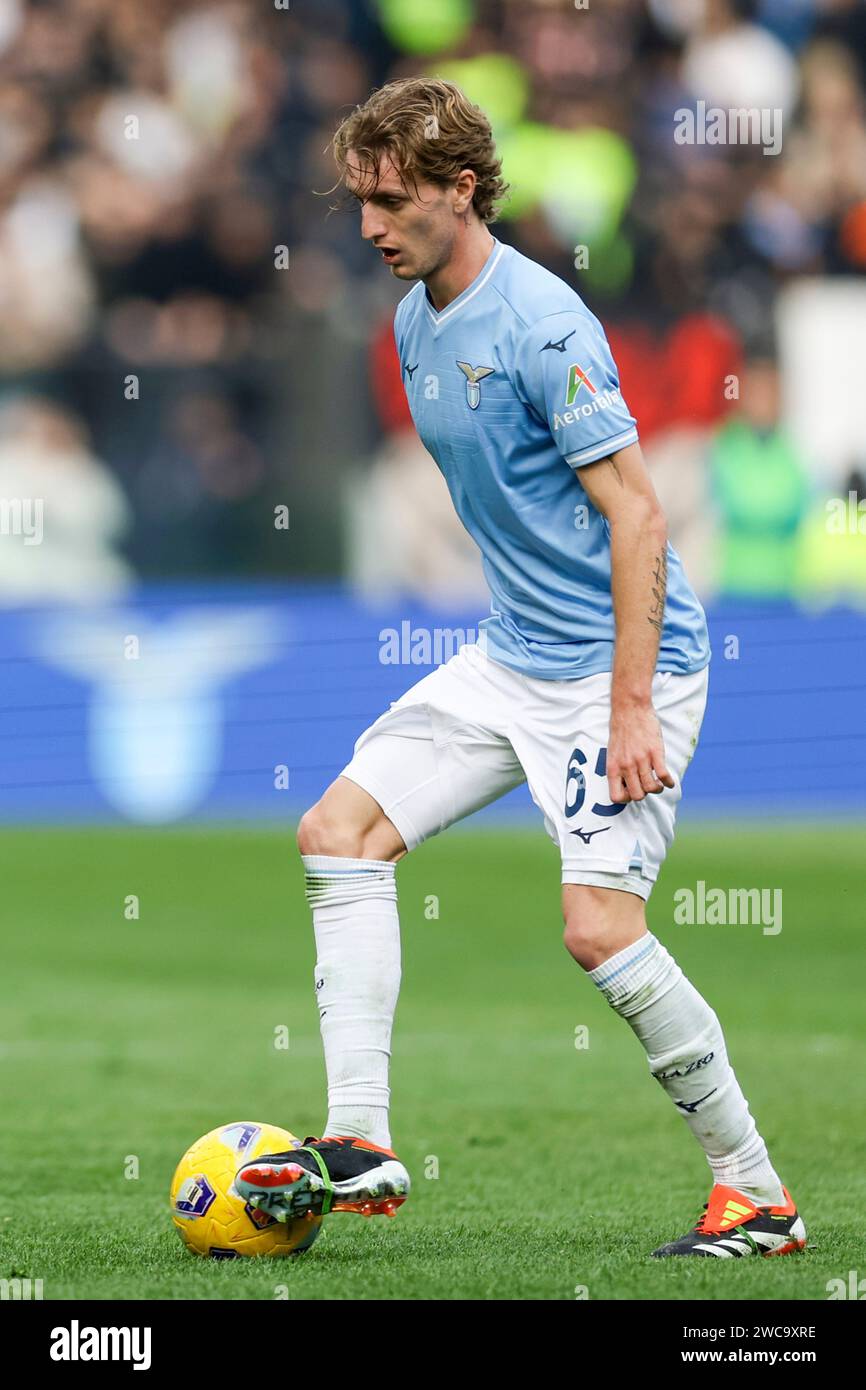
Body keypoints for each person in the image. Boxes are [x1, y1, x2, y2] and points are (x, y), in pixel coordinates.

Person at [235, 78, 806, 1258]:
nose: (369, 227)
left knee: (597, 930)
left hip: (618, 669)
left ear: (459, 189)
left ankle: (753, 1192)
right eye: (356, 204)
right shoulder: (407, 322)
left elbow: (638, 518)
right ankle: (357, 1138)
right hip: (514, 657)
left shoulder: (544, 327)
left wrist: (631, 707)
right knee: (334, 833)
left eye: (390, 201)